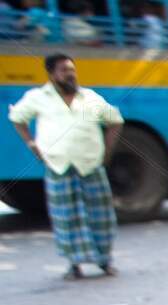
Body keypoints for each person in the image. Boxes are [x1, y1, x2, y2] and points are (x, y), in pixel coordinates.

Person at [8, 52, 124, 278]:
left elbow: (116, 121)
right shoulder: (37, 97)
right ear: (52, 75)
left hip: (91, 165)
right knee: (66, 217)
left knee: (100, 215)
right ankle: (75, 265)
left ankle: (104, 261)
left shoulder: (90, 97)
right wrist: (32, 144)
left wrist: (107, 151)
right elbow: (17, 118)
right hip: (59, 167)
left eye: (72, 69)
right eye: (64, 70)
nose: (70, 74)